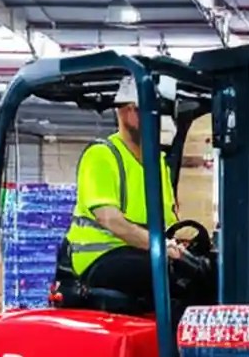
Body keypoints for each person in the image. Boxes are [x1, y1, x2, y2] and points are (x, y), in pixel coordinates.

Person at [65, 76, 183, 303]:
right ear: (128, 112)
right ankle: (178, 339)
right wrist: (160, 246)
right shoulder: (102, 155)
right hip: (99, 257)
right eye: (157, 111)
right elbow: (110, 220)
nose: (162, 120)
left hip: (141, 252)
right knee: (174, 277)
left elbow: (170, 219)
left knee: (206, 272)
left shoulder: (157, 162)